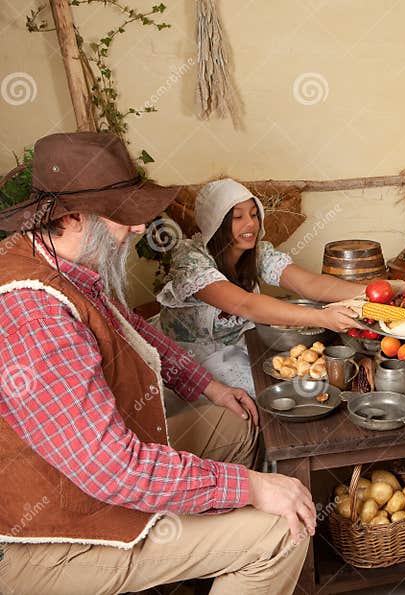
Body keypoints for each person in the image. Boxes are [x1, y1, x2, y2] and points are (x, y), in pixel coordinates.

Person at [0, 132, 313, 594]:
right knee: (283, 532)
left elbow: (133, 329)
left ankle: (201, 569)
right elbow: (112, 469)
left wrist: (208, 387)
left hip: (89, 486)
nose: (139, 227)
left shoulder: (58, 263)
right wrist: (251, 487)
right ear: (71, 216)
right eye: (122, 214)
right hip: (59, 536)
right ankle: (230, 552)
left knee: (239, 422)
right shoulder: (35, 311)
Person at [156, 178, 364, 393]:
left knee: (306, 379)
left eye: (254, 214)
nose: (251, 224)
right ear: (214, 224)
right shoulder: (190, 261)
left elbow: (309, 283)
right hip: (191, 359)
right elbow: (246, 304)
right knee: (278, 391)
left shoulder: (258, 253)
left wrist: (371, 291)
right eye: (238, 217)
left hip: (239, 346)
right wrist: (321, 318)